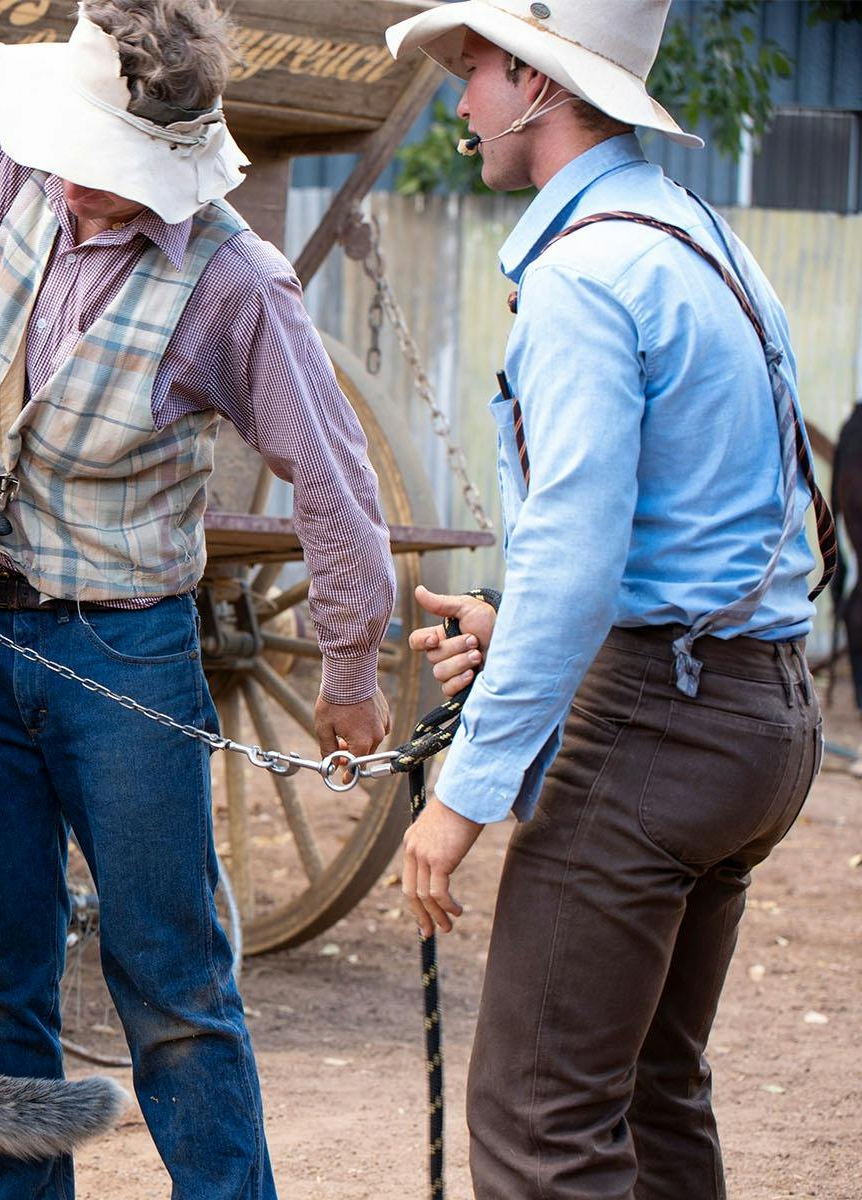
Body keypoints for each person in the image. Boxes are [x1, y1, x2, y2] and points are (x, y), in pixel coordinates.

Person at [0, 2, 397, 1195]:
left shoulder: (236, 286)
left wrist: (351, 670)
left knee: (173, 984)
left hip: (125, 655)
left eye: (109, 172)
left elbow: (335, 481)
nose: (75, 186)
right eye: (73, 155)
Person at [384, 3, 832, 1197]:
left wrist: (462, 796)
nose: (460, 100)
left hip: (662, 729)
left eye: (474, 69)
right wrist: (524, 634)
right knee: (648, 1088)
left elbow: (575, 557)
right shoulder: (696, 236)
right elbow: (691, 525)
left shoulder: (584, 272)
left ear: (536, 85)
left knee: (538, 1122)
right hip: (757, 718)